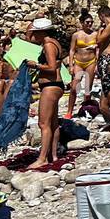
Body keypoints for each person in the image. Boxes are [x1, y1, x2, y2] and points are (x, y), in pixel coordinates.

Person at [27, 17, 66, 170]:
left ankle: (42, 158)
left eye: (36, 32)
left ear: (42, 32)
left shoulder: (48, 45)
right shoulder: (54, 43)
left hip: (50, 86)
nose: (34, 35)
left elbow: (51, 67)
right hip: (56, 85)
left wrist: (35, 65)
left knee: (43, 123)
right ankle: (53, 155)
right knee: (53, 123)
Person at [65, 11, 99, 117]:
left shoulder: (95, 34)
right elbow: (71, 50)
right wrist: (71, 65)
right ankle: (69, 111)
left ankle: (86, 109)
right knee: (74, 87)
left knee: (88, 89)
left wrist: (97, 64)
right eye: (87, 22)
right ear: (82, 22)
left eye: (91, 22)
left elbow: (98, 50)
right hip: (79, 62)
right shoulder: (76, 35)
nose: (90, 24)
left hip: (91, 62)